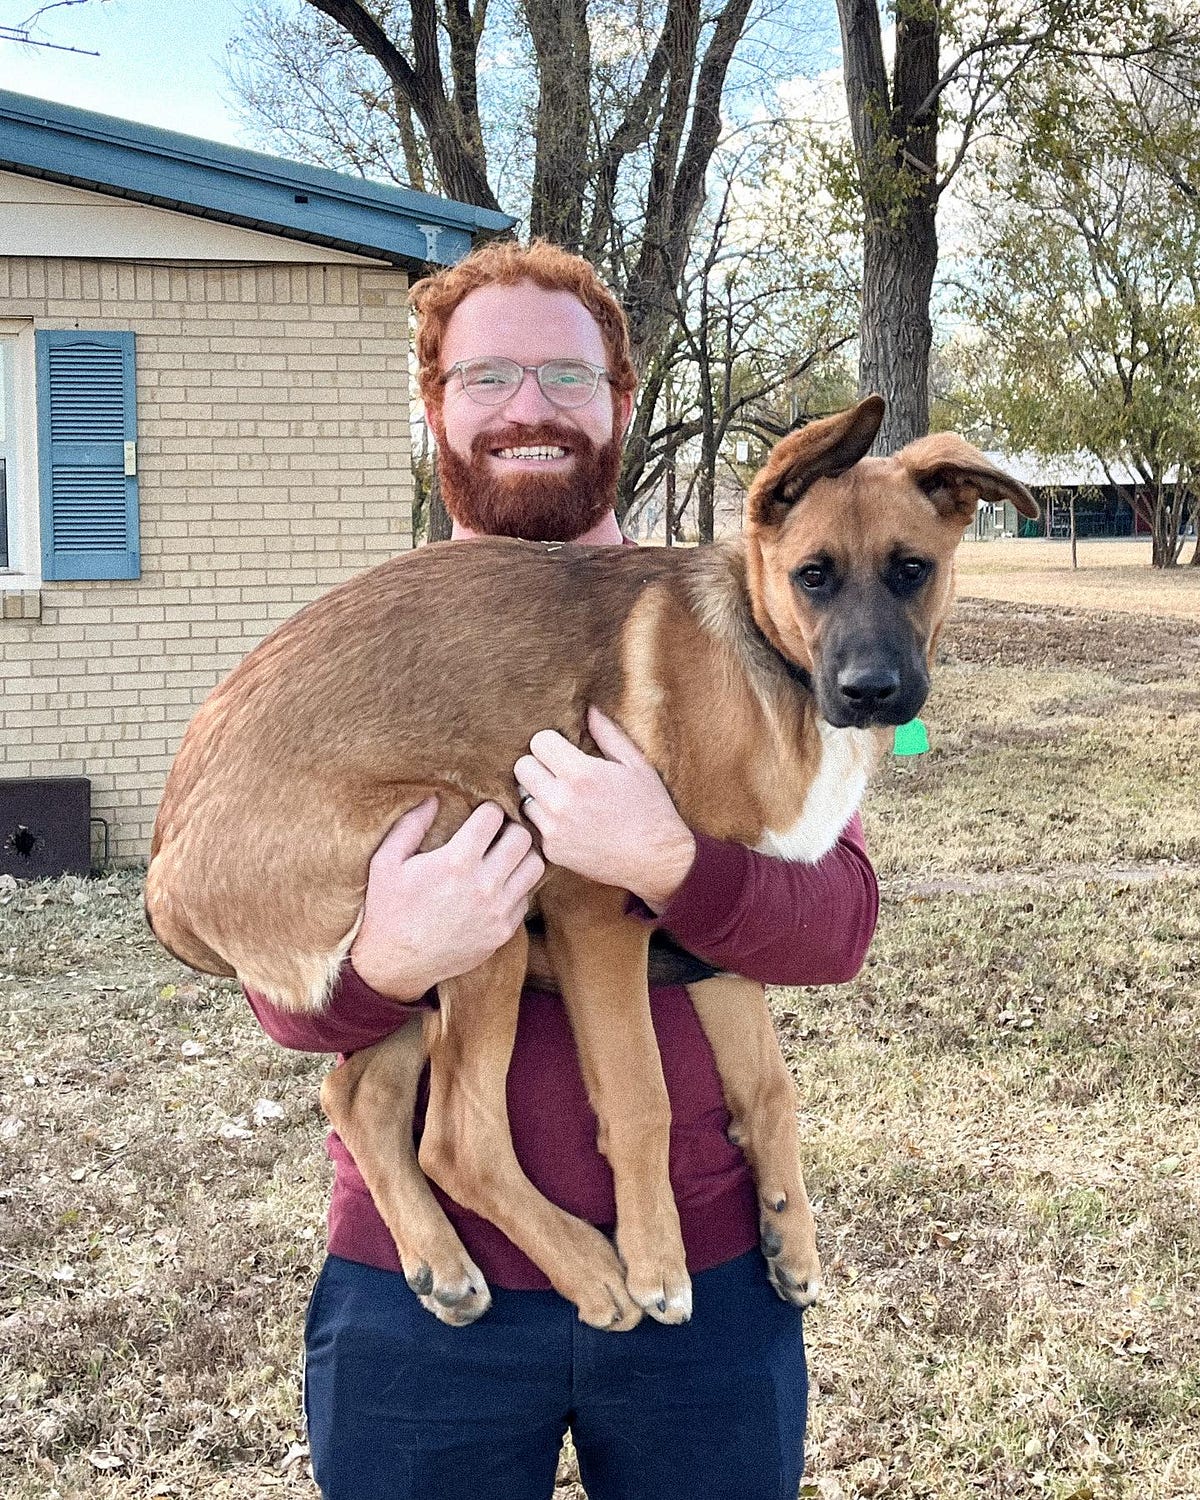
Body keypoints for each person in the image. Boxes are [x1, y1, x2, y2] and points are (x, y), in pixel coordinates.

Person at [245, 240, 878, 1500]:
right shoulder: (370, 636)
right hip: (415, 1313)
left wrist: (673, 864)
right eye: (486, 376)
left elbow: (839, 925)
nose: (527, 406)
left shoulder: (744, 621)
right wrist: (385, 959)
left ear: (620, 402)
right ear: (434, 407)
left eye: (563, 374)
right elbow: (281, 992)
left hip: (708, 1275)